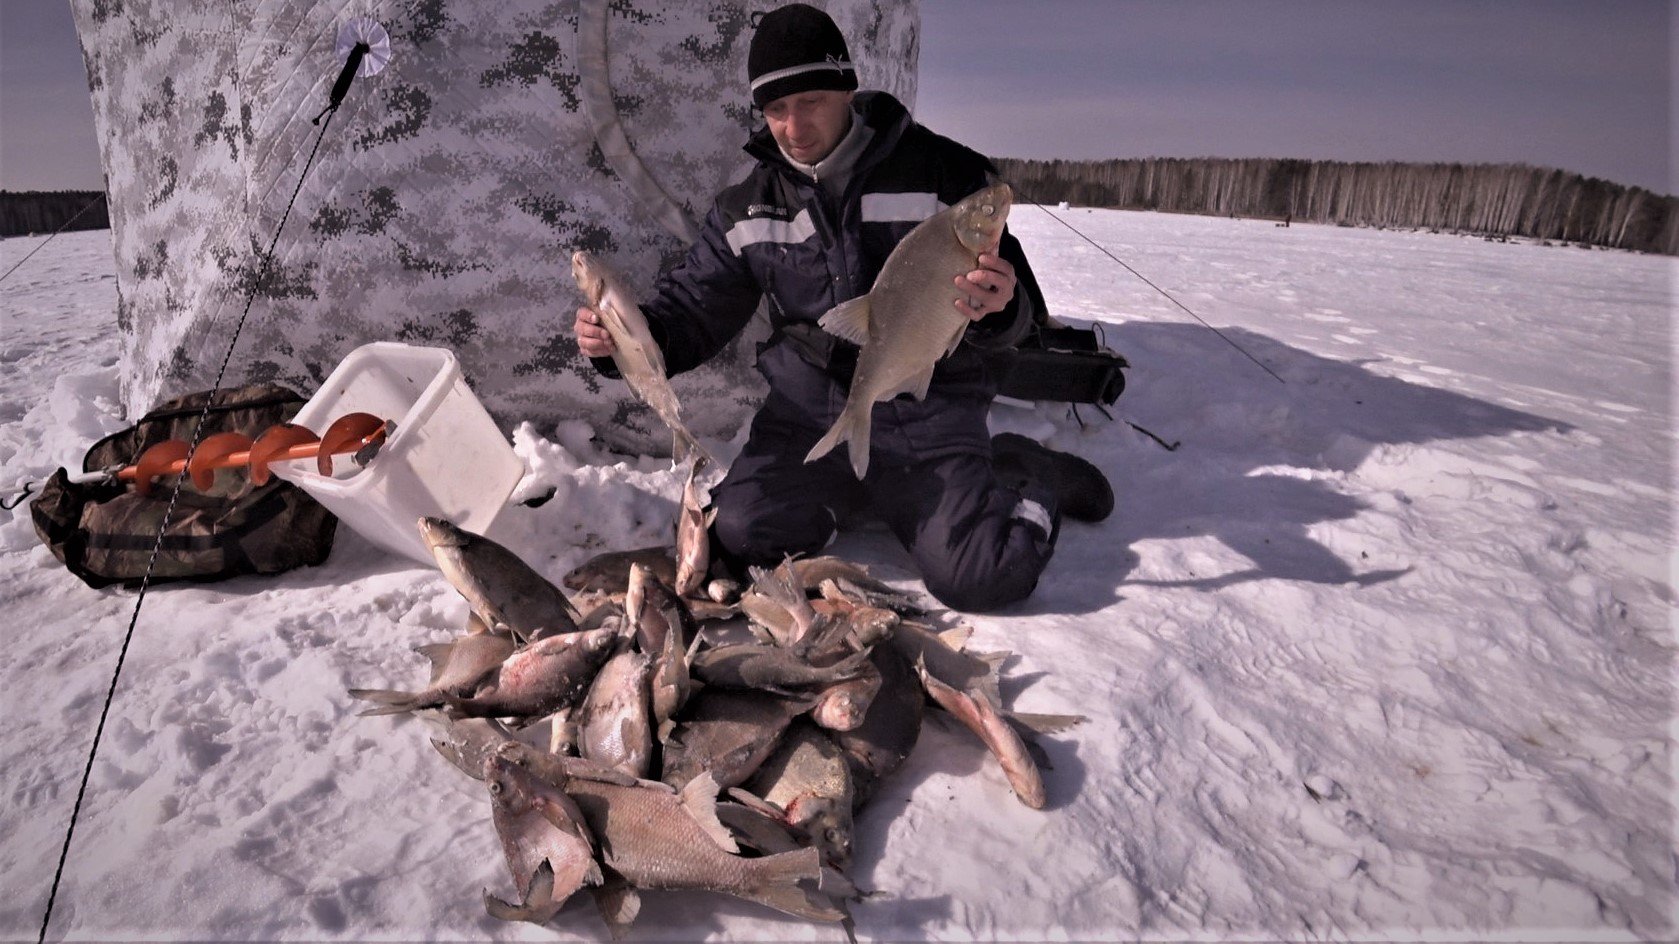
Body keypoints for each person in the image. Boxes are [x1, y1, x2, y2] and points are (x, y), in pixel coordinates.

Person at [573, 3, 1111, 612]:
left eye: (811, 101)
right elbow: (693, 311)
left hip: (929, 413)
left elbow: (1019, 315)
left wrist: (999, 309)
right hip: (810, 413)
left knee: (984, 576)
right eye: (776, 109)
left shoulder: (948, 175)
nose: (793, 126)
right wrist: (622, 342)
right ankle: (844, 496)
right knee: (739, 534)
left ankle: (1027, 474)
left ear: (848, 90)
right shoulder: (747, 208)